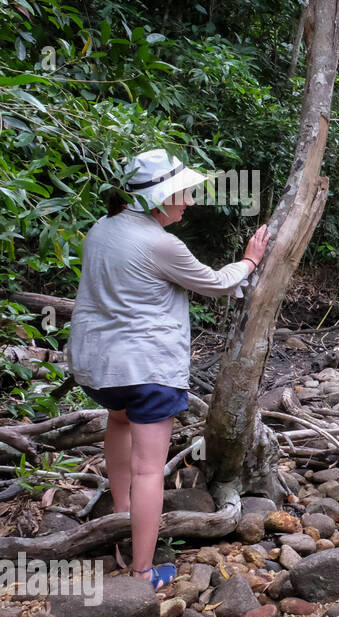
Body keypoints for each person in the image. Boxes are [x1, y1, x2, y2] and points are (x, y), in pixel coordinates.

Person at [68, 149, 270, 589]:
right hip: (147, 371)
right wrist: (251, 260)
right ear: (159, 200)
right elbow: (217, 284)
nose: (189, 202)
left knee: (119, 423)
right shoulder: (161, 243)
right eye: (183, 194)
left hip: (101, 371)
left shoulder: (102, 229)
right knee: (148, 469)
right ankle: (141, 571)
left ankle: (122, 516)